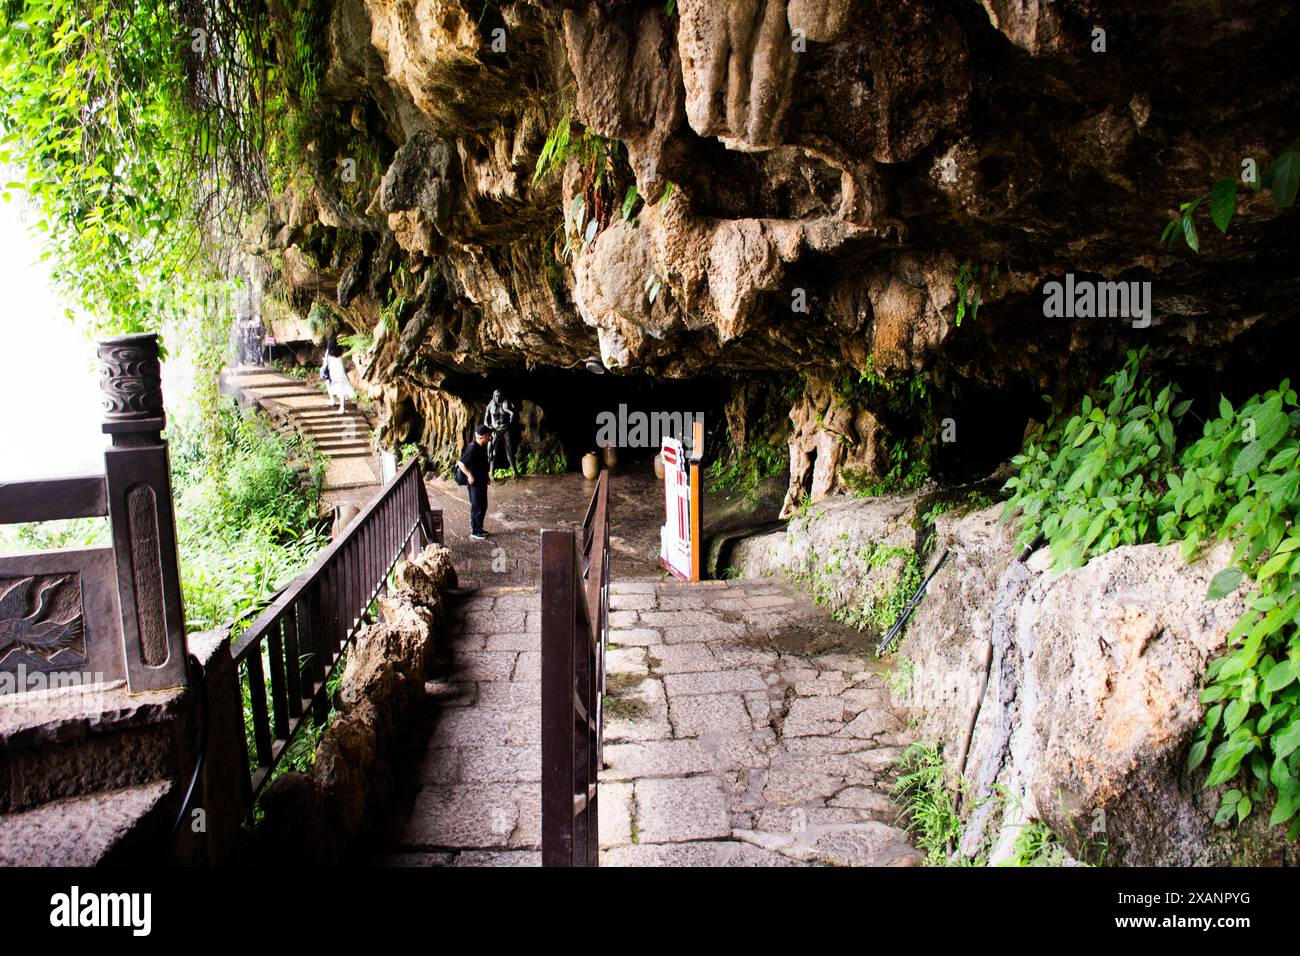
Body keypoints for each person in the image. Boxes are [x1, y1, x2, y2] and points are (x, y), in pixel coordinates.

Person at [457, 425, 492, 541]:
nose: (489, 438)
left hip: (481, 480)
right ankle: (475, 531)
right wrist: (469, 475)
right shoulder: (472, 447)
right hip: (474, 483)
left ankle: (479, 528)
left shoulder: (482, 446)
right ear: (483, 436)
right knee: (476, 506)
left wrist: (487, 476)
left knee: (483, 505)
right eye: (488, 436)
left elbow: (483, 463)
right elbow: (461, 463)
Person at [484, 389, 517, 475]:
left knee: (509, 451)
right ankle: (491, 473)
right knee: (493, 452)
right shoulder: (490, 406)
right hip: (495, 431)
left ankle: (514, 472)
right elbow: (485, 421)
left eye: (499, 395)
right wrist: (489, 426)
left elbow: (513, 416)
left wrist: (511, 417)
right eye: (496, 396)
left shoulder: (507, 404)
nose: (498, 398)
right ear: (493, 396)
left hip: (505, 430)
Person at [321, 338, 355, 414]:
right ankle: (342, 406)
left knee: (334, 387)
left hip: (333, 373)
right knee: (341, 389)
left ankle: (334, 402)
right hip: (340, 372)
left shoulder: (328, 352)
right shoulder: (339, 351)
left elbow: (325, 364)